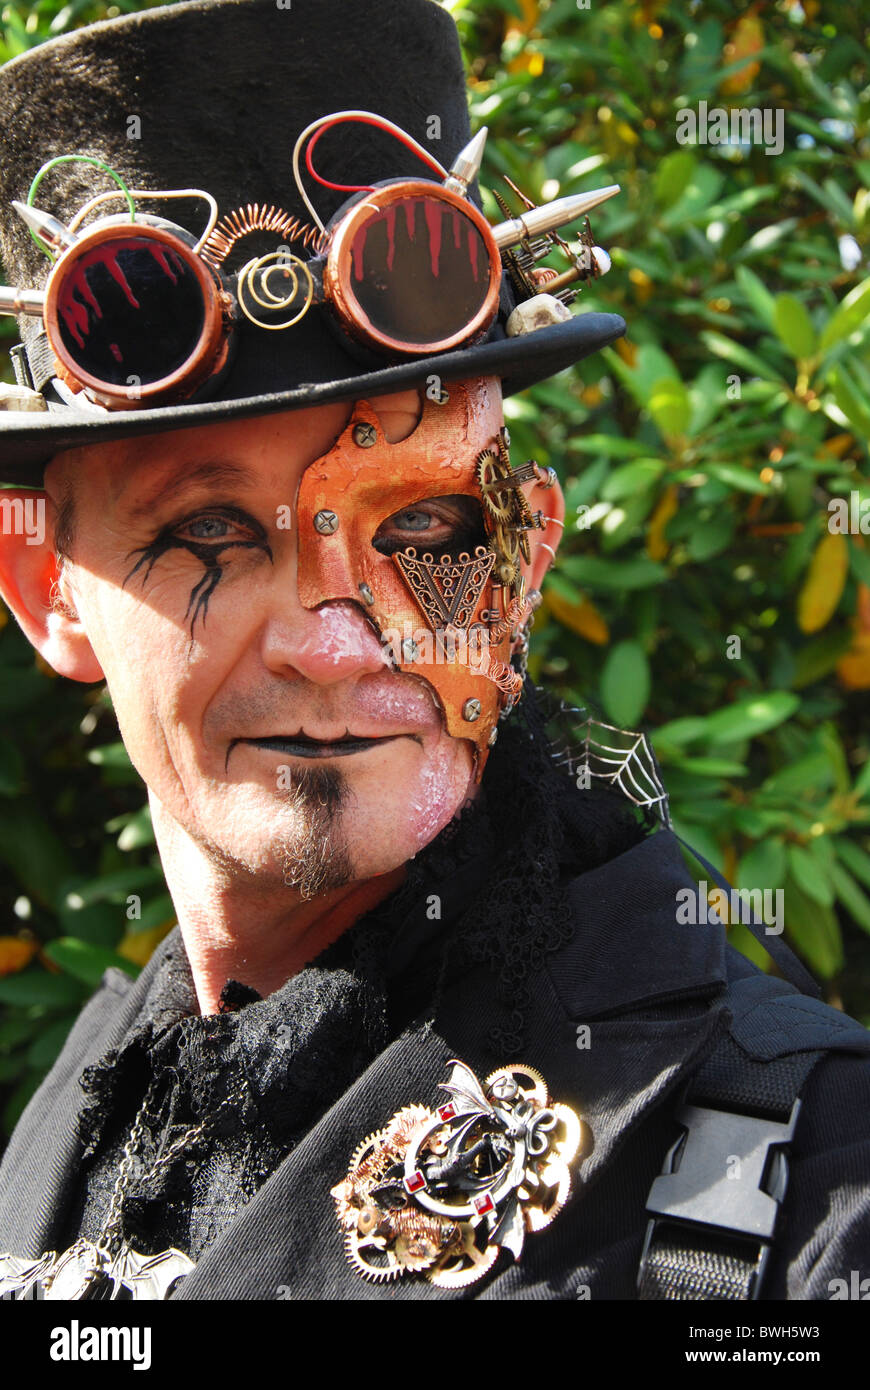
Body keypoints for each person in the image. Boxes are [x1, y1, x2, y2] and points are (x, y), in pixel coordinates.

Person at [0, 0, 868, 1301]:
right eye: (213, 527)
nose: (333, 636)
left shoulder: (801, 1179)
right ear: (45, 589)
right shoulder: (68, 1117)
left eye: (423, 523)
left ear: (525, 558)